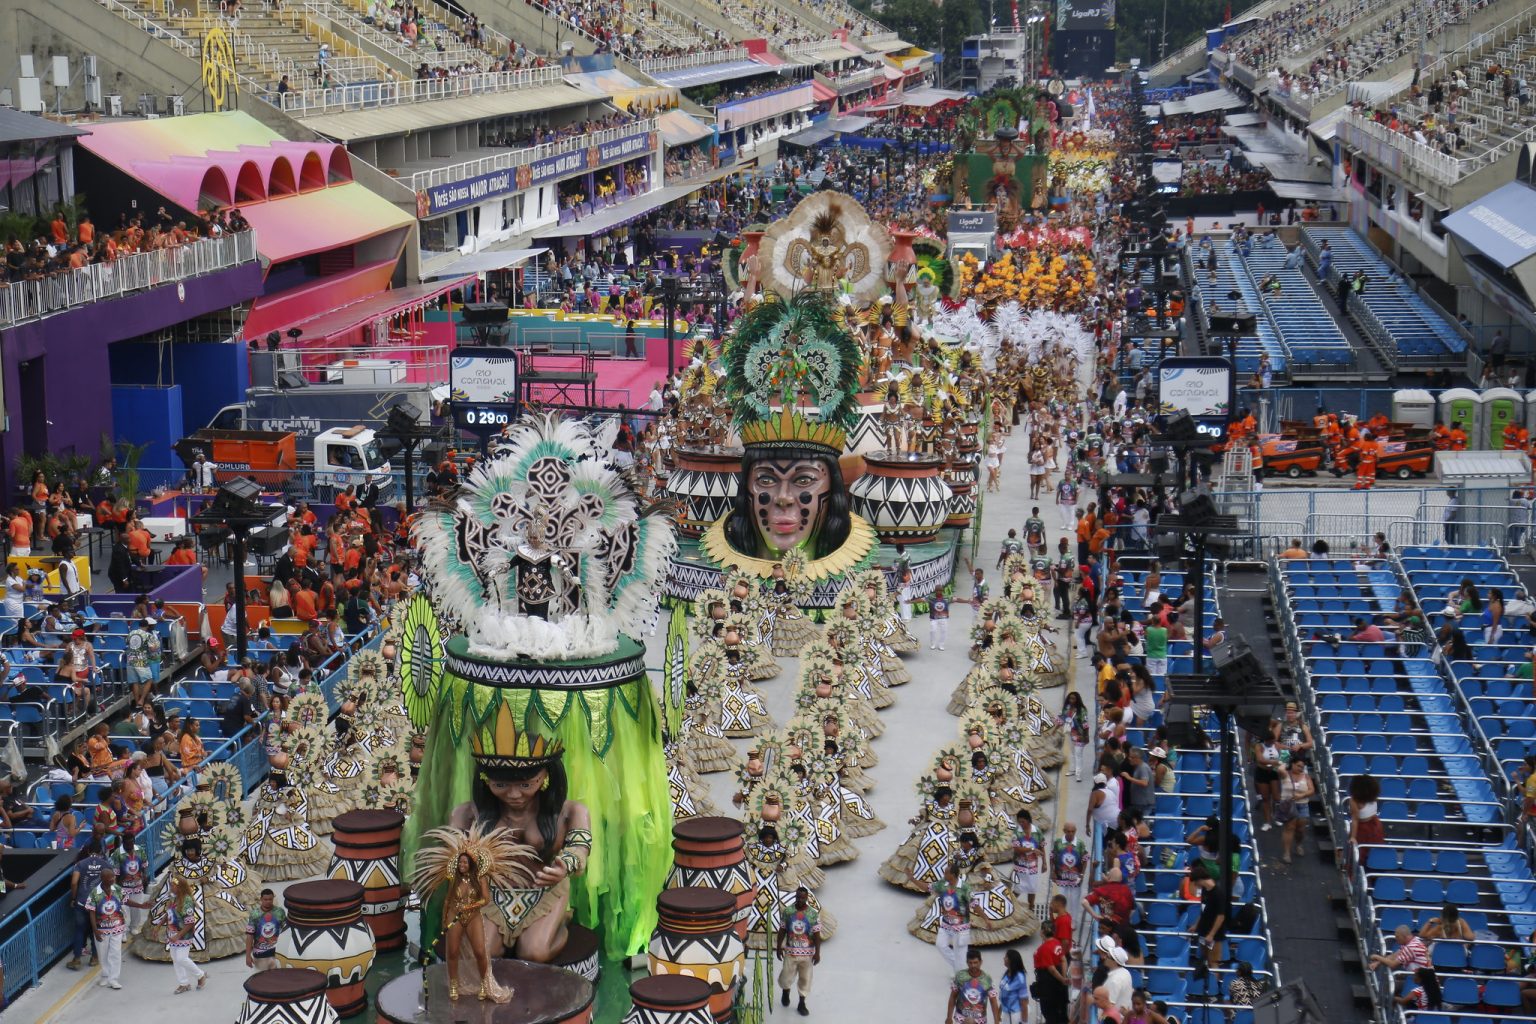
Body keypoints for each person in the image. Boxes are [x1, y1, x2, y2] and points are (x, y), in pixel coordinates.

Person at [776, 886, 820, 1017]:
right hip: (791, 951)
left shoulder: (813, 914)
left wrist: (818, 952)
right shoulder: (788, 911)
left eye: (803, 897)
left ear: (807, 898)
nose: (800, 900)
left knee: (805, 978)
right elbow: (782, 929)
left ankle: (802, 1002)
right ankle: (786, 990)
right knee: (786, 975)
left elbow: (817, 934)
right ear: (795, 896)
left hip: (807, 954)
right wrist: (779, 946)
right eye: (798, 897)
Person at [68, 839, 111, 970]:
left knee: (79, 930)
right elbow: (111, 882)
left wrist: (74, 898)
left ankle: (76, 959)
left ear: (87, 850)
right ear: (101, 851)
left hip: (81, 902)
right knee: (95, 930)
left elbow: (74, 882)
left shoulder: (80, 864)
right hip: (98, 904)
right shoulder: (106, 864)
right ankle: (94, 958)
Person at [165, 874, 207, 993]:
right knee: (175, 958)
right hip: (172, 933)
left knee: (182, 958)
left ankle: (200, 975)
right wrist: (158, 926)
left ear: (180, 887)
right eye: (171, 885)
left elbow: (190, 923)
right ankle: (184, 983)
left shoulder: (187, 901)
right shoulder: (173, 898)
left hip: (183, 935)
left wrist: (178, 935)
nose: (171, 888)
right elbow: (168, 913)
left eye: (173, 886)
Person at [88, 866, 126, 989]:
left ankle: (114, 979)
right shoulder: (95, 893)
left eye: (113, 877)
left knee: (115, 953)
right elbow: (91, 912)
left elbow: (126, 901)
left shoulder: (118, 889)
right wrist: (95, 930)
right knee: (103, 953)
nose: (113, 879)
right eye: (110, 878)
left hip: (117, 926)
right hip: (101, 929)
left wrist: (141, 905)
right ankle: (105, 975)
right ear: (103, 879)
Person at [931, 861, 973, 974]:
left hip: (961, 926)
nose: (944, 874)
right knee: (940, 945)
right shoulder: (942, 883)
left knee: (960, 953)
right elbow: (928, 887)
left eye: (946, 873)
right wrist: (911, 879)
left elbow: (974, 904)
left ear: (953, 875)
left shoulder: (965, 888)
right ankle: (960, 969)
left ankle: (961, 976)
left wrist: (986, 919)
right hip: (946, 924)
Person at [947, 947, 1000, 1024]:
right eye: (970, 963)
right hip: (962, 1017)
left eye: (975, 962)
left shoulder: (987, 979)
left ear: (981, 962)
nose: (973, 965)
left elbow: (993, 1002)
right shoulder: (960, 976)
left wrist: (996, 1021)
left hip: (979, 1019)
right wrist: (949, 1017)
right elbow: (953, 997)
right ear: (967, 962)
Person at [1276, 758, 1314, 863]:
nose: (1300, 768)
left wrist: (1302, 795)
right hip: (1288, 805)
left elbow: (1311, 790)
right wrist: (1285, 762)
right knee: (1289, 828)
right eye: (1298, 765)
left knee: (1300, 829)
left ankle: (1298, 843)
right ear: (1292, 765)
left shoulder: (1306, 776)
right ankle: (1286, 853)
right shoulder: (1285, 775)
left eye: (1302, 767)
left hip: (1302, 805)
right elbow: (1280, 769)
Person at [1190, 862, 1226, 967]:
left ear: (1200, 880)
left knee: (1213, 962)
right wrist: (1196, 925)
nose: (1196, 886)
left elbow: (1221, 916)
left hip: (1214, 935)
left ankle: (1215, 983)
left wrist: (1211, 934)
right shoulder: (1205, 890)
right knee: (1205, 959)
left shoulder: (1218, 893)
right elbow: (1203, 910)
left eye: (1196, 883)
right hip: (1203, 931)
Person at [1010, 807, 1045, 915]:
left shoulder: (1037, 831)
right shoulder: (1017, 832)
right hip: (1020, 866)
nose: (1021, 824)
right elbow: (1017, 848)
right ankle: (1010, 906)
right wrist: (1032, 849)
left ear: (1028, 820)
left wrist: (1044, 863)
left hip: (1033, 866)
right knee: (1017, 888)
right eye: (1019, 822)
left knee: (1032, 888)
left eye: (1023, 821)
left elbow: (1042, 847)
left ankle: (1031, 907)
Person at [1033, 927, 1070, 1024]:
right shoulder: (1056, 942)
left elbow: (1051, 969)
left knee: (1048, 1010)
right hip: (1057, 981)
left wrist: (1062, 979)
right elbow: (1063, 960)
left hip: (1048, 982)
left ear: (1042, 933)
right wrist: (1063, 977)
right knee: (1061, 1008)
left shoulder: (1044, 948)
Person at [1051, 820, 1088, 914]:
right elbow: (1052, 857)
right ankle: (1062, 919)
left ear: (1075, 831)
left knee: (1074, 901)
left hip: (1075, 878)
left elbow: (1085, 859)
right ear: (1064, 831)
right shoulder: (1058, 843)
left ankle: (1073, 923)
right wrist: (1053, 872)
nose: (1070, 833)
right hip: (1061, 877)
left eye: (1072, 831)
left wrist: (1082, 874)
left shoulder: (1080, 844)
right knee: (1061, 900)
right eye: (1068, 831)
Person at [245, 888, 286, 971]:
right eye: (265, 899)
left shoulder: (280, 912)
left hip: (277, 952)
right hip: (260, 954)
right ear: (261, 899)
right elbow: (249, 935)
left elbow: (285, 931)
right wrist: (248, 956)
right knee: (262, 981)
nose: (268, 901)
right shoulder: (254, 914)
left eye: (270, 899)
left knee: (279, 979)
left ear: (273, 899)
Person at [997, 948, 1029, 1024]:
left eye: (1006, 957)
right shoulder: (1007, 974)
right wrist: (999, 1012)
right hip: (1005, 1013)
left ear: (1011, 960)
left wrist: (1024, 1022)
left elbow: (1024, 1001)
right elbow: (1004, 994)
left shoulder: (1019, 977)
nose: (1004, 958)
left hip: (1015, 1014)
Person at [930, 587, 950, 651]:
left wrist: (966, 601)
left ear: (942, 591)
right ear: (935, 590)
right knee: (933, 630)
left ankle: (941, 645)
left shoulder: (947, 597)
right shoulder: (931, 598)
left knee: (943, 631)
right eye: (937, 590)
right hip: (934, 618)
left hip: (944, 618)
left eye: (940, 590)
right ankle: (933, 644)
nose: (938, 592)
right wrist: (910, 601)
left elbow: (956, 599)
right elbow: (921, 600)